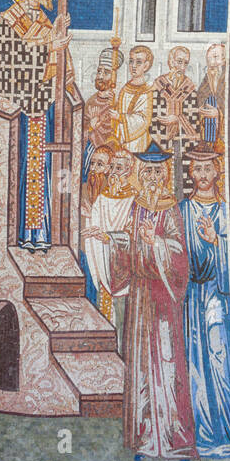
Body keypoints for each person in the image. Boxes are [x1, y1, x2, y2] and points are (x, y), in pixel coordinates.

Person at [110, 141, 195, 461]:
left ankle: (171, 431)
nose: (151, 177)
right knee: (142, 363)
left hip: (162, 297)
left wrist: (155, 242)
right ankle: (145, 431)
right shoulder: (136, 206)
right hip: (140, 295)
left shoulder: (170, 208)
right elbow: (129, 249)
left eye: (157, 172)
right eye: (146, 171)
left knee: (166, 360)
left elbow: (179, 254)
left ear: (163, 175)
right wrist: (117, 242)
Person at [0, 0, 73, 250]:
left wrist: (57, 34)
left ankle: (44, 233)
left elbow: (52, 50)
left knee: (46, 167)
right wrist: (51, 45)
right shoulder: (11, 18)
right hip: (24, 105)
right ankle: (28, 233)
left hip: (45, 102)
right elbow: (8, 60)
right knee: (29, 165)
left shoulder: (43, 19)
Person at [180, 141, 230, 460]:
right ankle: (204, 435)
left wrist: (215, 240)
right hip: (193, 296)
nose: (203, 174)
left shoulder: (226, 210)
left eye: (208, 168)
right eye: (197, 168)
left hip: (217, 296)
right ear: (191, 171)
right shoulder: (183, 210)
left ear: (217, 170)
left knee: (219, 359)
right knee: (196, 365)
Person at [83, 148, 136, 348]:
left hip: (124, 275)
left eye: (119, 168)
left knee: (123, 324)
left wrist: (108, 238)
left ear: (129, 171)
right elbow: (95, 228)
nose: (113, 172)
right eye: (112, 167)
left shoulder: (134, 200)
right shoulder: (102, 200)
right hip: (104, 269)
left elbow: (133, 238)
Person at [114, 45, 154, 155]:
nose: (134, 66)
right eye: (131, 61)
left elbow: (144, 119)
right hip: (121, 136)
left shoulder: (147, 92)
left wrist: (120, 117)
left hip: (137, 139)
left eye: (139, 62)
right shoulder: (125, 88)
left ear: (146, 66)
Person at [196, 41, 225, 147]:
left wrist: (219, 114)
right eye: (209, 60)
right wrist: (200, 109)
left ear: (224, 59)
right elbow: (201, 95)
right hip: (210, 133)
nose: (212, 63)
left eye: (216, 57)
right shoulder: (209, 77)